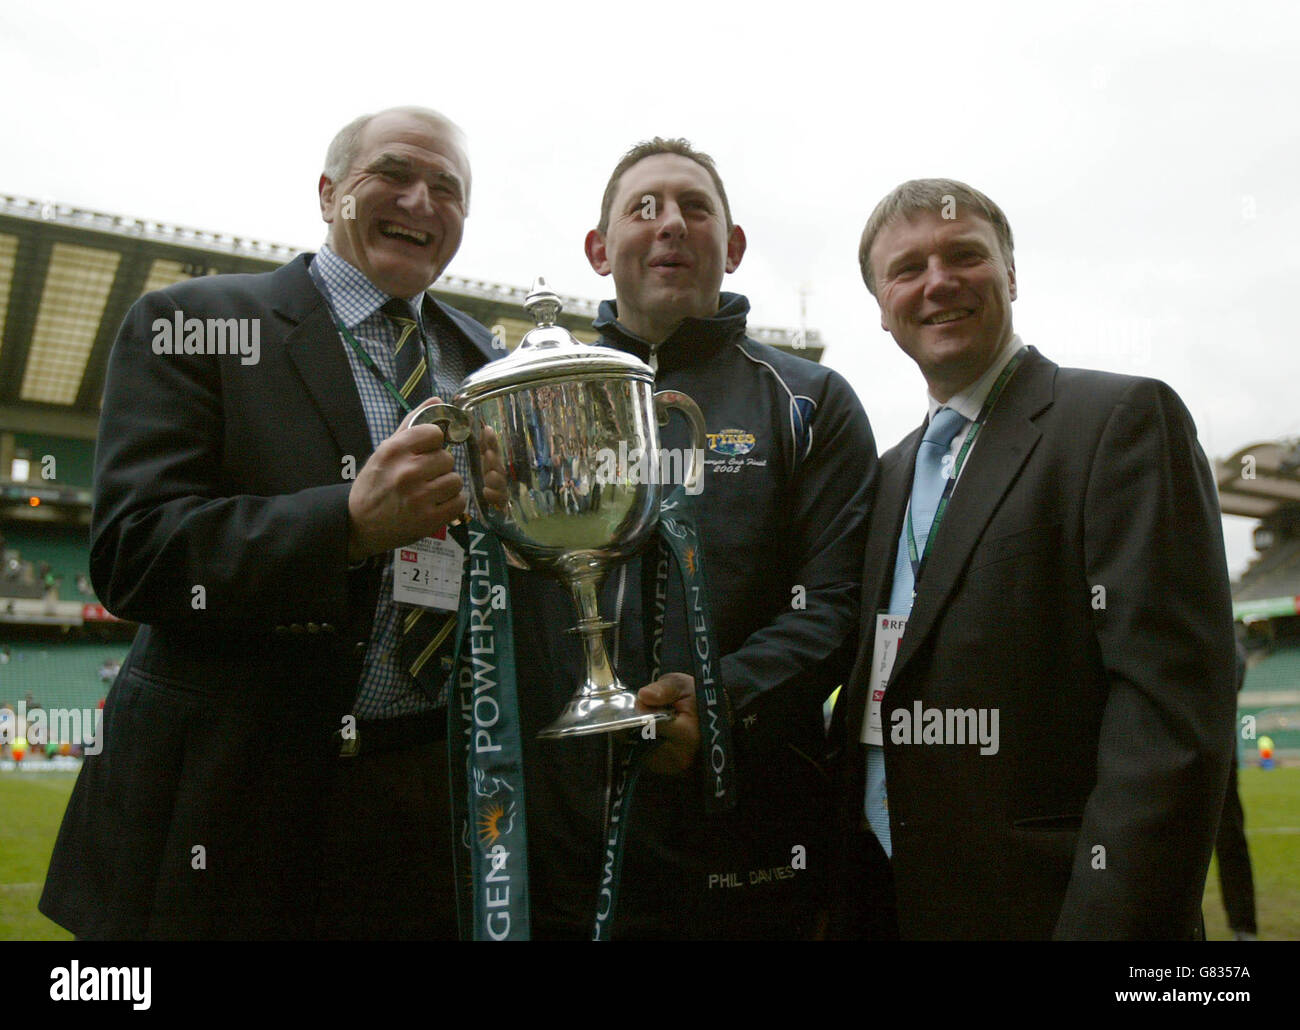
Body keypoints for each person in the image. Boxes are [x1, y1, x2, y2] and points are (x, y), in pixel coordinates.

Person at [40, 106, 499, 939]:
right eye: (392, 174)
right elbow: (132, 553)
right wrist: (346, 524)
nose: (421, 200)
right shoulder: (196, 325)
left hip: (418, 808)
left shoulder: (488, 366)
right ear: (328, 193)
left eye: (448, 188)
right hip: (228, 801)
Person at [829, 178, 1236, 940]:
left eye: (965, 255)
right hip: (897, 906)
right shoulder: (883, 477)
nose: (939, 281)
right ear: (882, 310)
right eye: (907, 268)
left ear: (1011, 276)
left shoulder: (1120, 422)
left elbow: (1169, 728)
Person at [510, 138, 877, 939]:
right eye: (644, 208)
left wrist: (722, 702)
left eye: (695, 208)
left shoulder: (809, 400)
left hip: (748, 825)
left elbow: (840, 606)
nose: (670, 223)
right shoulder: (539, 400)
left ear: (733, 247)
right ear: (599, 250)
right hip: (564, 832)